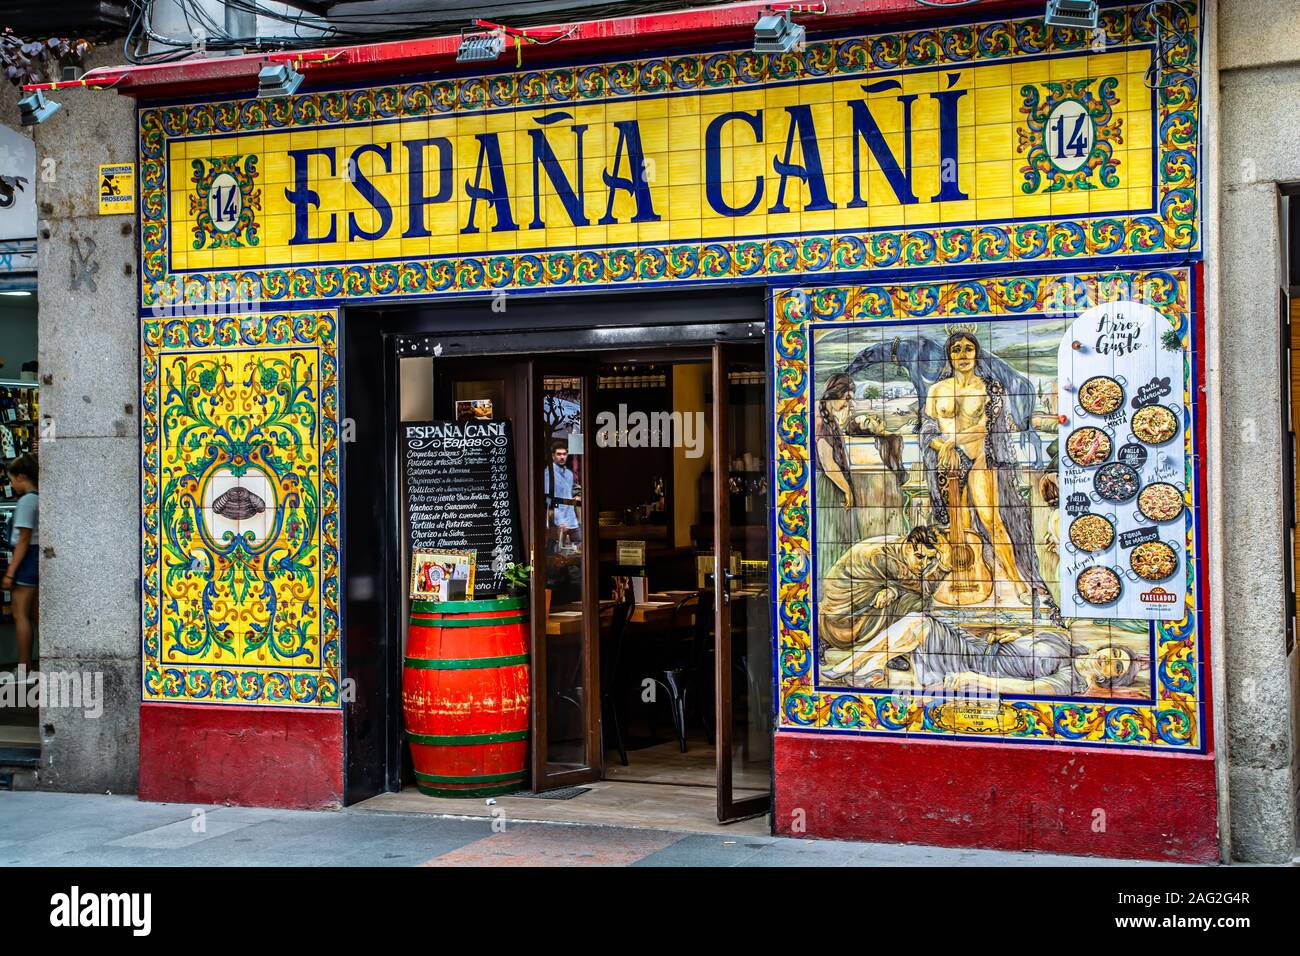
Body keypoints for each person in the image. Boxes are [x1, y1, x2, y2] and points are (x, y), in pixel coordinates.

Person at [921, 331, 1055, 612]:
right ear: (949, 355)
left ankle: (1019, 584)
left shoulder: (988, 388)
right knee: (960, 527)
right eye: (956, 350)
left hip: (979, 458)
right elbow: (928, 428)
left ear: (976, 353)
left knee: (993, 521)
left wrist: (953, 442)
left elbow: (986, 428)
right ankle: (967, 580)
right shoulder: (937, 390)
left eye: (968, 349)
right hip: (947, 464)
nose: (962, 355)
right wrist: (941, 446)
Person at [817, 525, 948, 663]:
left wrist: (893, 590)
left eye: (930, 559)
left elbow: (902, 582)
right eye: (920, 557)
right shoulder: (883, 556)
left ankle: (889, 647)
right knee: (917, 600)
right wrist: (944, 566)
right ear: (909, 546)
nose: (924, 564)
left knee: (912, 598)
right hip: (842, 610)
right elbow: (924, 588)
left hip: (858, 596)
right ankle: (889, 648)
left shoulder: (898, 546)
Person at [2, 454, 37, 679]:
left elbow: (23, 539)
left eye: (12, 479)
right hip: (38, 558)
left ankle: (24, 668)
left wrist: (10, 572)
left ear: (22, 476)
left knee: (20, 614)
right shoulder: (42, 498)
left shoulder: (26, 502)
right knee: (35, 615)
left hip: (26, 560)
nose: (11, 485)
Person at [543, 441, 581, 552]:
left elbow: (568, 496)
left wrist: (576, 499)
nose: (562, 457)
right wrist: (559, 521)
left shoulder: (569, 474)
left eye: (564, 454)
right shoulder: (548, 474)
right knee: (557, 554)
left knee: (579, 549)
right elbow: (548, 499)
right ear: (553, 455)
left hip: (572, 520)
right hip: (557, 521)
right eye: (559, 454)